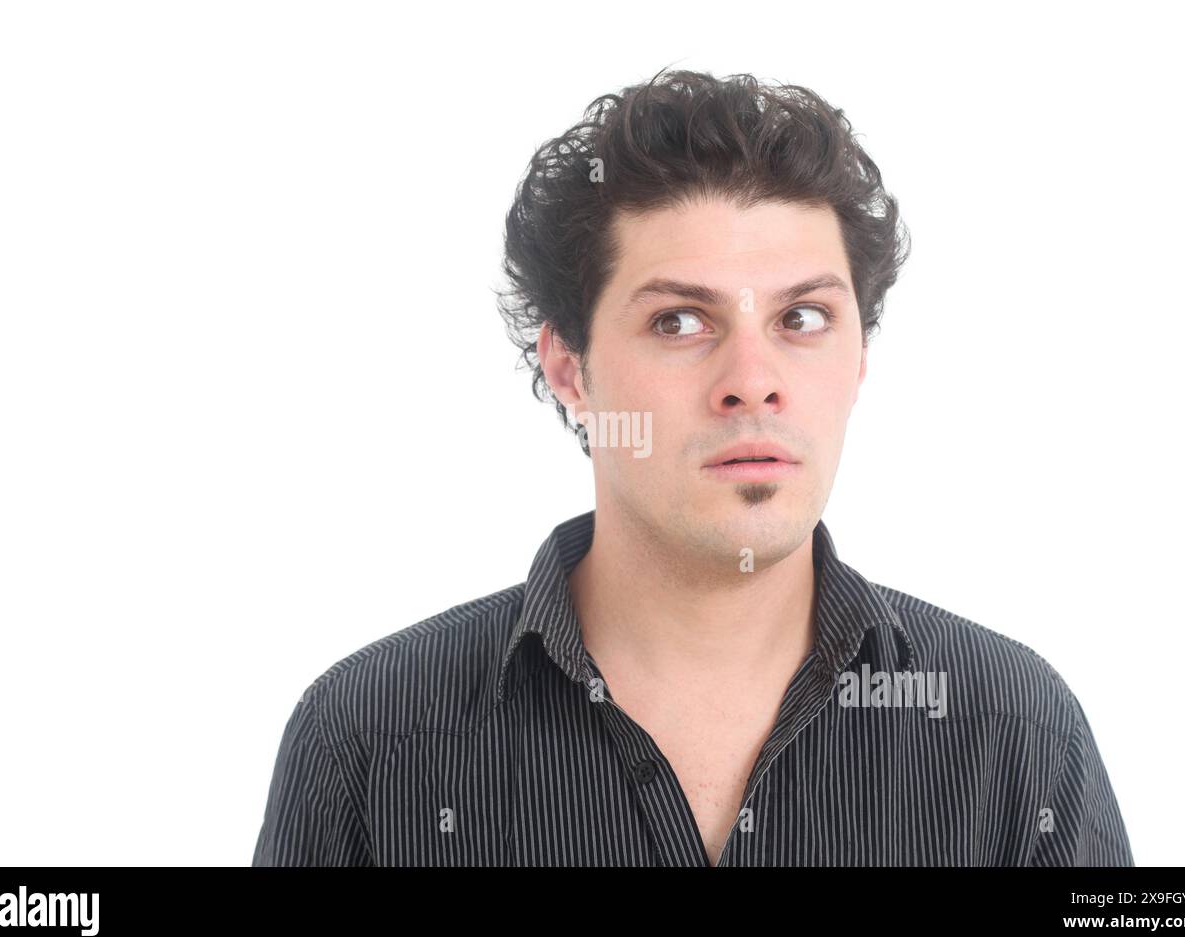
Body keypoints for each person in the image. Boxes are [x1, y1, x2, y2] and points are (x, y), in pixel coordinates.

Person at [252, 68, 1133, 866]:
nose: (752, 383)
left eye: (803, 320)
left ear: (860, 359)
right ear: (570, 369)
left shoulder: (1016, 732)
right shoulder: (371, 739)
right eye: (679, 321)